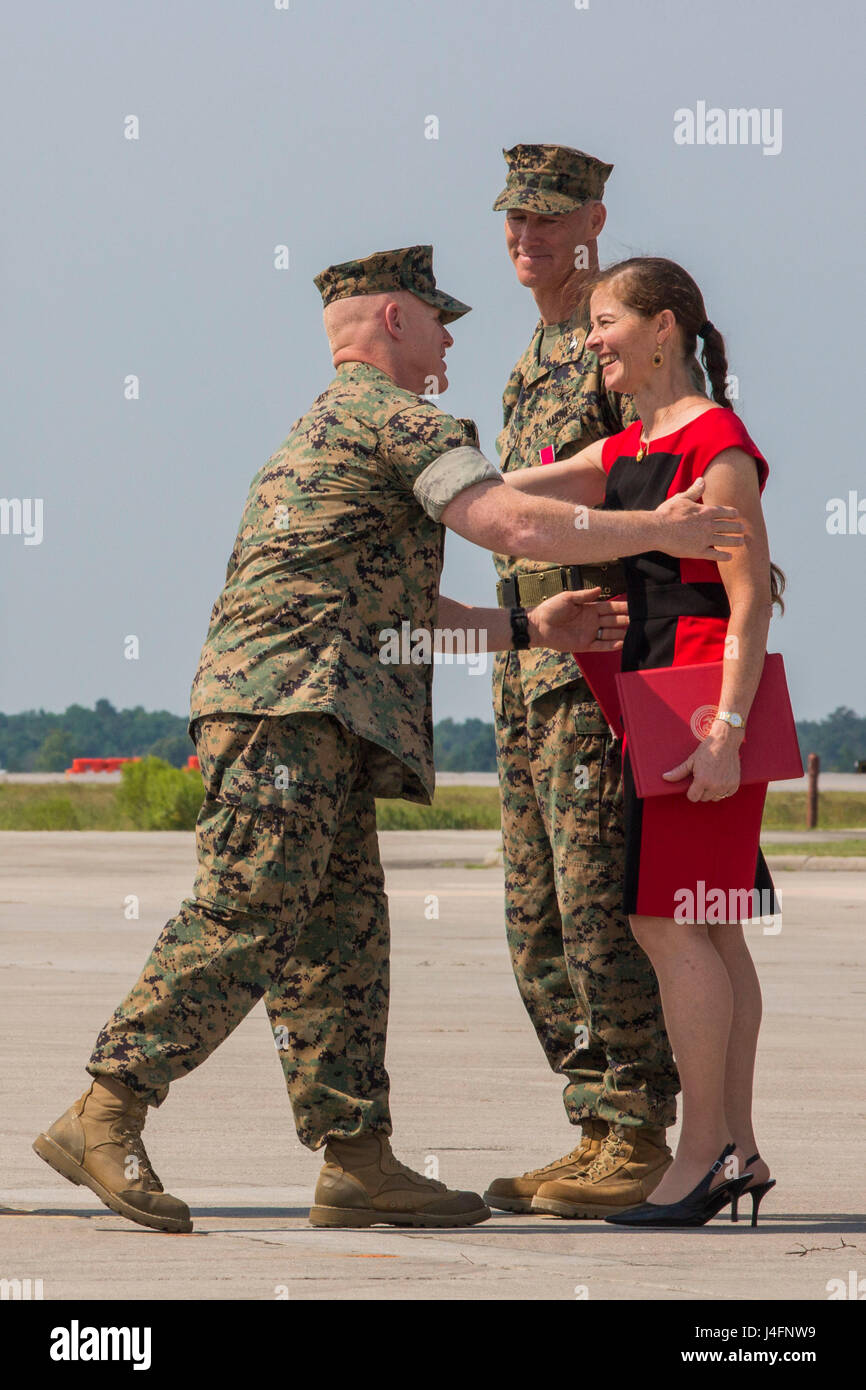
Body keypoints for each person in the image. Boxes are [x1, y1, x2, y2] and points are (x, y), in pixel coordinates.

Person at [32, 245, 743, 1235]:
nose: (452, 336)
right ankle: (107, 1106)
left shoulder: (316, 431)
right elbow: (510, 526)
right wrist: (652, 529)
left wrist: (529, 629)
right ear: (393, 322)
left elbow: (395, 608)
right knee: (244, 914)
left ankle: (356, 1157)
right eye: (436, 317)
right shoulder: (398, 418)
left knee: (342, 938)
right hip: (293, 714)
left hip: (312, 712)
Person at [502, 255, 781, 1227]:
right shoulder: (627, 450)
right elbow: (514, 503)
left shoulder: (717, 446)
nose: (589, 339)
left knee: (668, 924)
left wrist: (724, 733)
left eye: (606, 320)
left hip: (697, 701)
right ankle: (735, 1150)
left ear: (661, 327)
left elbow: (748, 603)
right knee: (706, 924)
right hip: (656, 699)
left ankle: (698, 1154)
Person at [483, 144, 681, 1219]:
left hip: (600, 670)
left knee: (596, 901)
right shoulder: (533, 351)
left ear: (595, 217)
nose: (527, 240)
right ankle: (592, 1121)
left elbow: (662, 482)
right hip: (527, 670)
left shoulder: (616, 345)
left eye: (548, 221)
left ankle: (639, 1124)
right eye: (513, 222)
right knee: (532, 917)